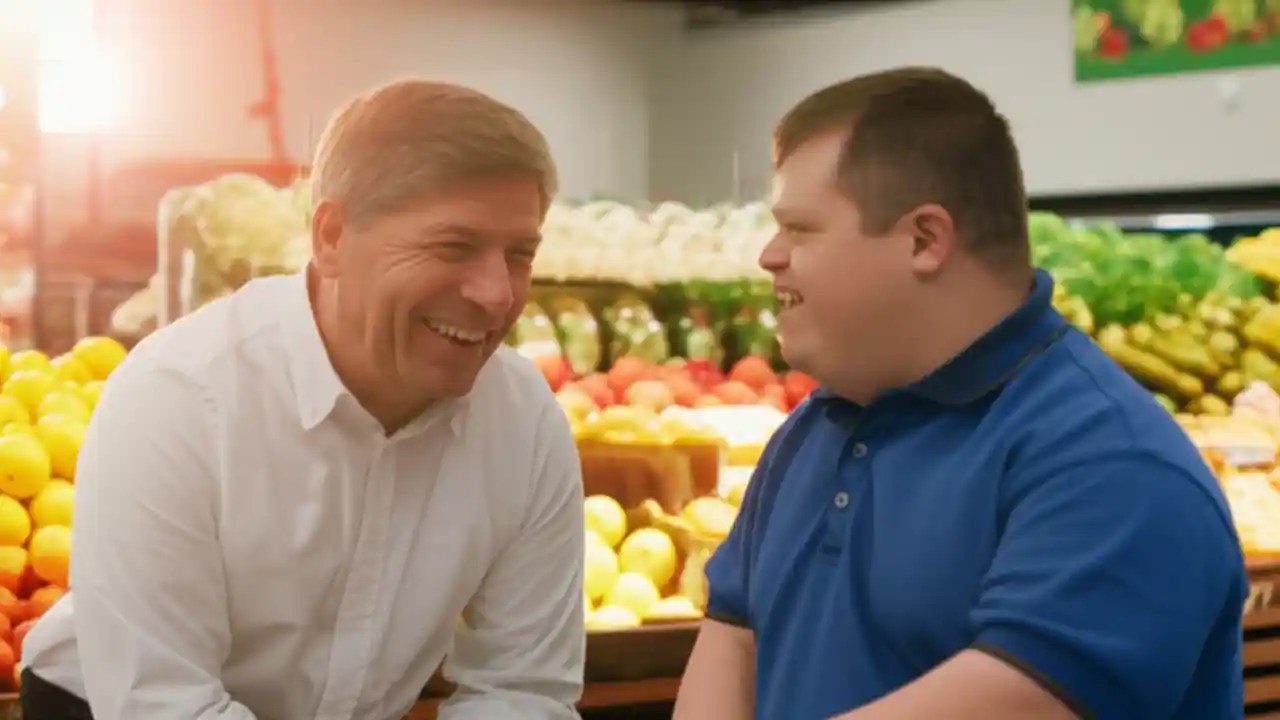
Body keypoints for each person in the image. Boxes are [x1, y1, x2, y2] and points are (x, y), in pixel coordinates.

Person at [674, 67, 1247, 720]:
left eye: (800, 229)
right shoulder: (810, 434)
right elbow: (734, 644)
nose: (770, 257)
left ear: (925, 240)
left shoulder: (1114, 466)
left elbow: (1016, 705)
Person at [21, 80, 586, 719]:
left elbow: (525, 690)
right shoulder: (179, 398)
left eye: (519, 255)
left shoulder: (523, 423)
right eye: (453, 247)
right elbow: (165, 704)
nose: (496, 294)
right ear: (332, 237)